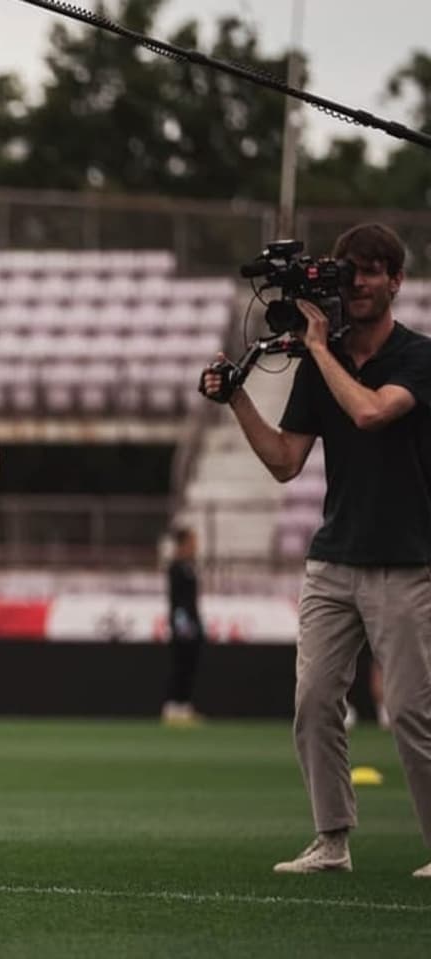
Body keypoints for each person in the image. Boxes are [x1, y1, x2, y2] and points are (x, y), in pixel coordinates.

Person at [202, 223, 431, 879]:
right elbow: (283, 461)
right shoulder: (320, 361)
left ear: (396, 281)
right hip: (334, 558)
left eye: (370, 271)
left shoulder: (416, 355)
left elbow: (371, 412)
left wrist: (319, 349)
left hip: (405, 558)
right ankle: (332, 838)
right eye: (347, 271)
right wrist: (237, 398)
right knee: (312, 702)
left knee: (414, 711)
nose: (356, 283)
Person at [161, 525, 206, 725]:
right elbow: (177, 601)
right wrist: (183, 625)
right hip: (183, 622)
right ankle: (173, 707)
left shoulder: (189, 566)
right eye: (193, 541)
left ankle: (185, 706)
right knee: (180, 664)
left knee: (190, 664)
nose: (196, 546)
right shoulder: (175, 567)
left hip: (193, 621)